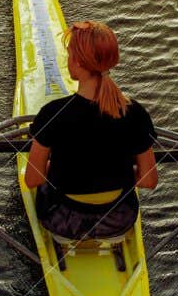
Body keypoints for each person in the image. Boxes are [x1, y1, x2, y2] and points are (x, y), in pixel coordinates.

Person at [24, 20, 157, 242]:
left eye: (69, 54)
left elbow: (32, 179)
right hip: (118, 222)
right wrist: (117, 175)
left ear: (77, 61)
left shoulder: (52, 113)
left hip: (64, 224)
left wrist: (59, 169)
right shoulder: (135, 112)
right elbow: (148, 180)